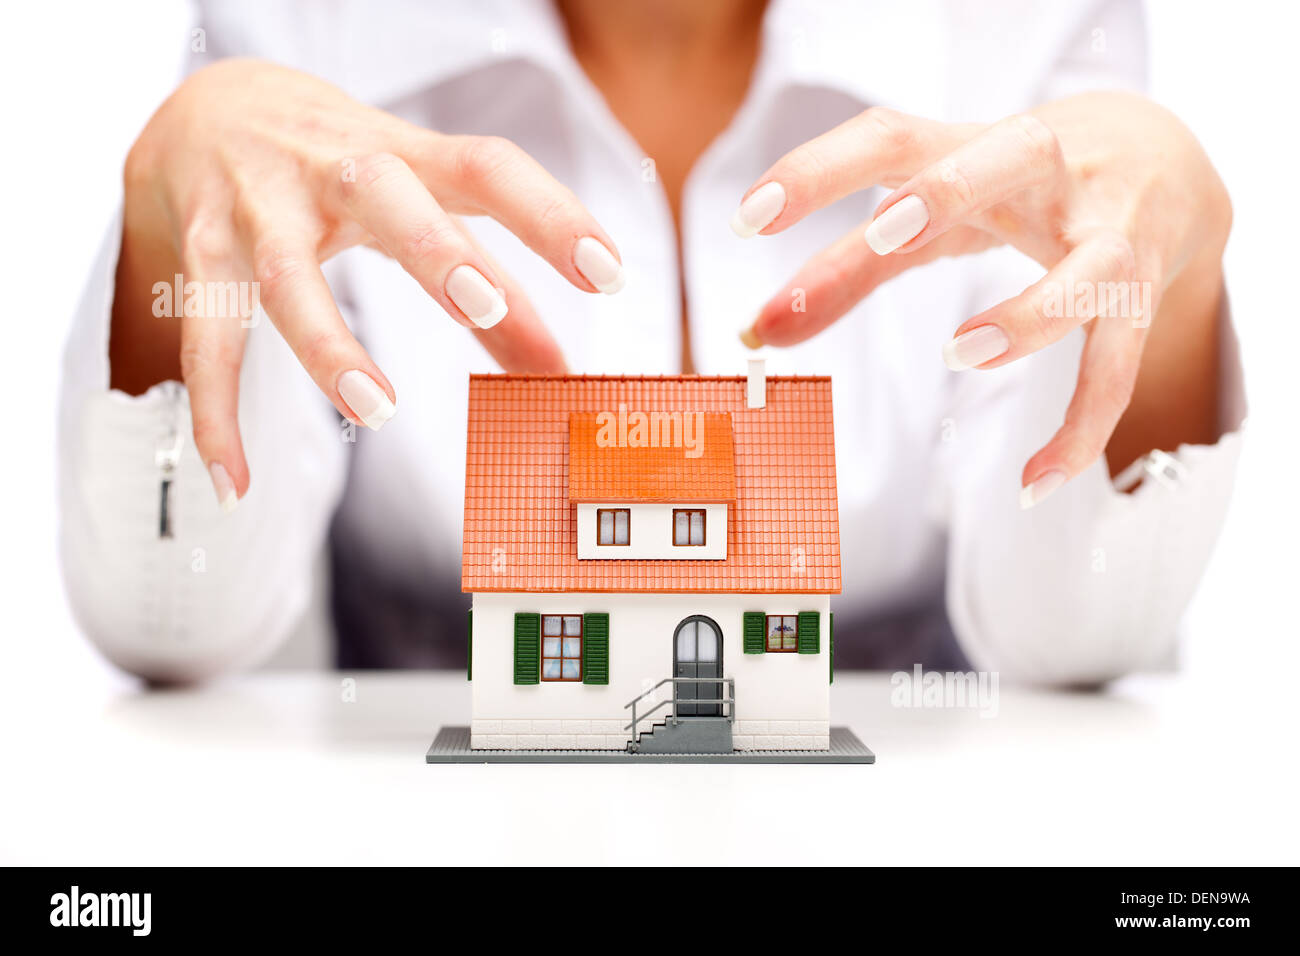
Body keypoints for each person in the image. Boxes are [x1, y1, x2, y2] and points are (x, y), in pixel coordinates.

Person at [59, 0, 1242, 683]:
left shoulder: (1024, 22)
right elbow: (176, 627)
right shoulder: (292, 23)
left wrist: (1172, 296)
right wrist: (165, 247)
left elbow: (1079, 636)